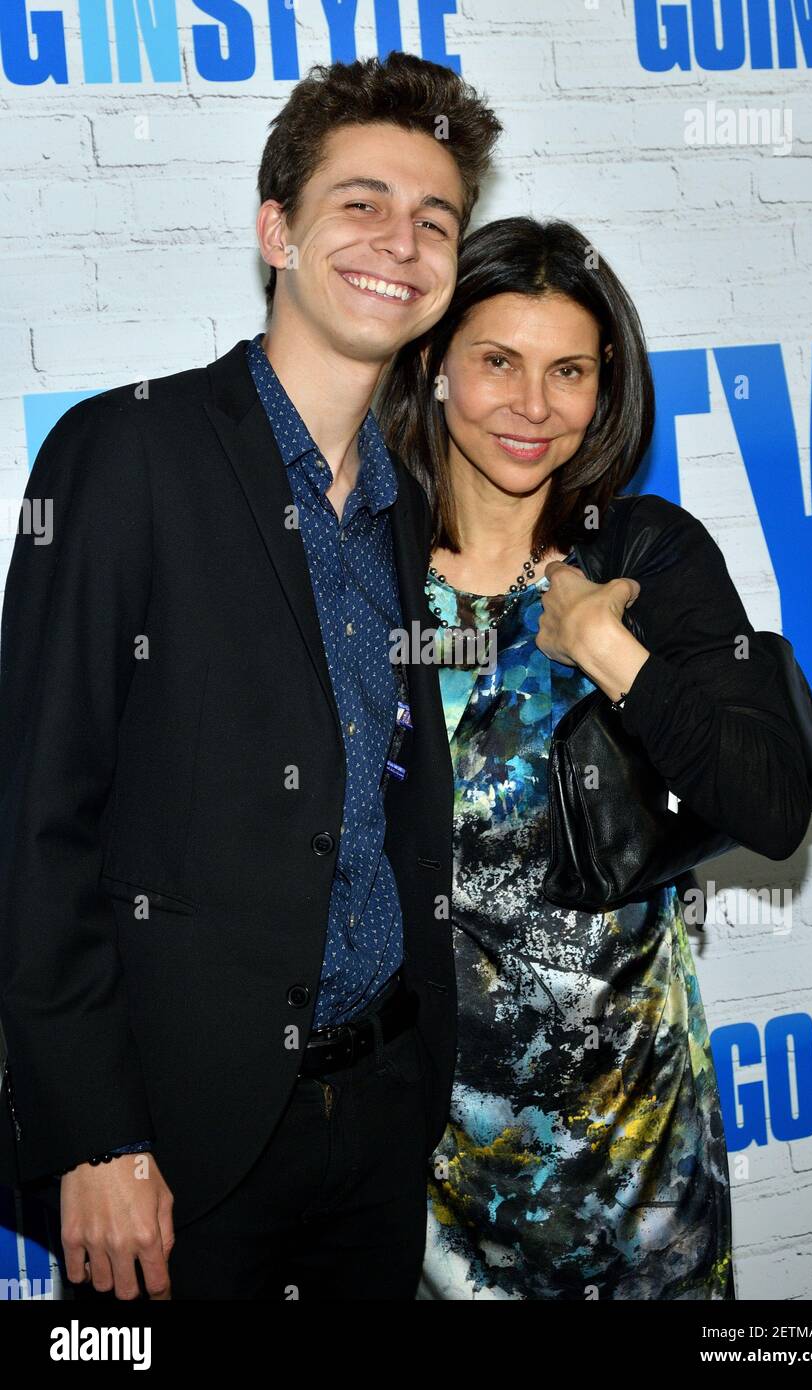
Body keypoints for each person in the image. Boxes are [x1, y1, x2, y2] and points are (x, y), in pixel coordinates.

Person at [0, 52, 501, 1301]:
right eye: (362, 202)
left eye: (435, 218)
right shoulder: (127, 450)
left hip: (381, 1119)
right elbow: (32, 818)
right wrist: (94, 1129)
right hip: (175, 1148)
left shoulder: (401, 503)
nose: (402, 239)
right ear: (277, 229)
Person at [376, 216, 812, 1300]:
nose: (533, 405)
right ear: (433, 366)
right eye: (497, 362)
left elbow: (771, 807)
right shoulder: (363, 568)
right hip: (417, 1170)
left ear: (604, 381)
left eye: (567, 369)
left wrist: (611, 651)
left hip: (633, 1161)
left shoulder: (648, 554)